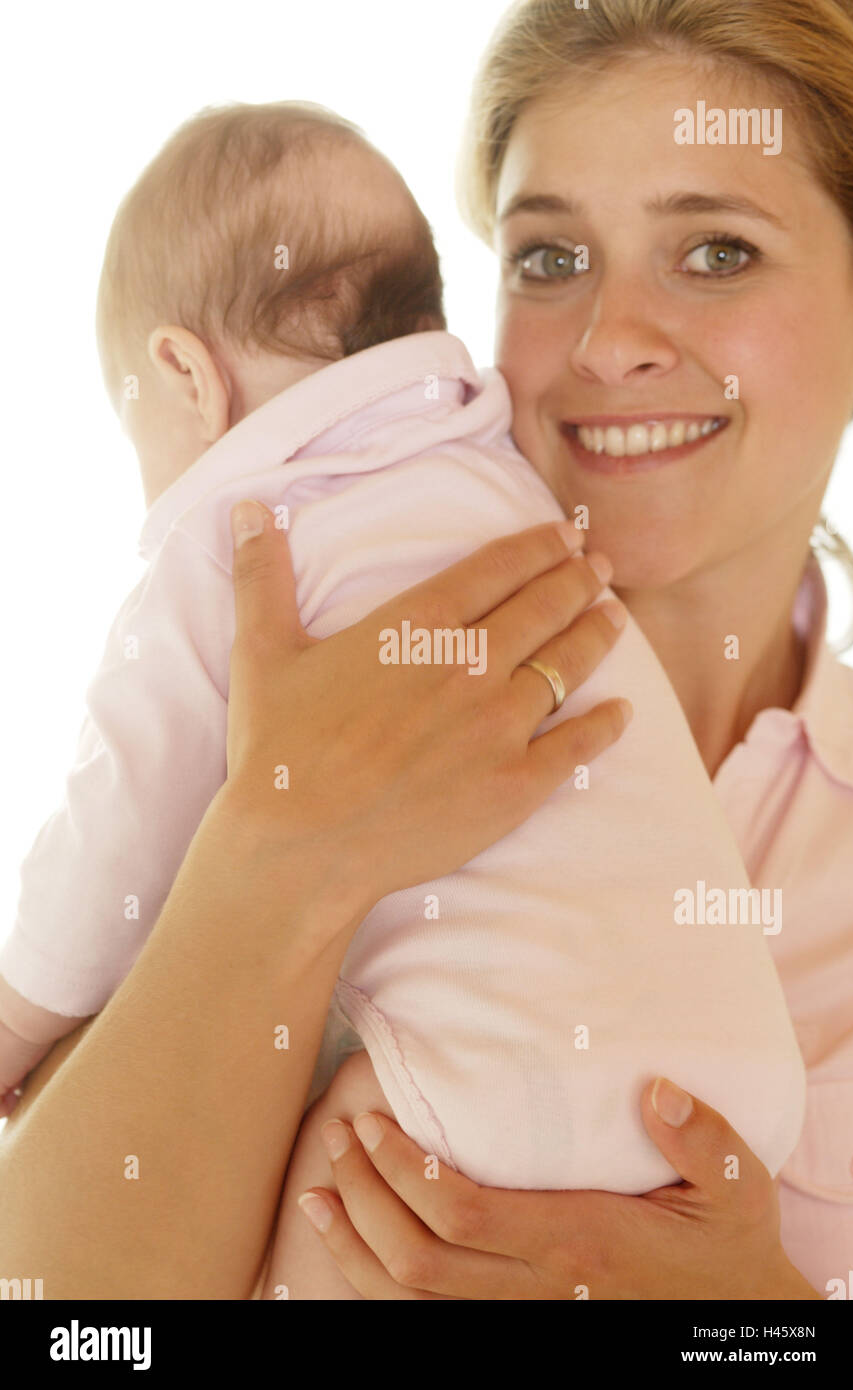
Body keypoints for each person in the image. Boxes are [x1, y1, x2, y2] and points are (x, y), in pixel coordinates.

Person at [0, 94, 805, 1307]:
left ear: (182, 373)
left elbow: (113, 817)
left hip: (455, 1110)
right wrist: (272, 863)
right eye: (546, 257)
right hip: (736, 1097)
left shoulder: (239, 540)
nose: (613, 340)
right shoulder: (500, 493)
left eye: (715, 250)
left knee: (336, 1205)